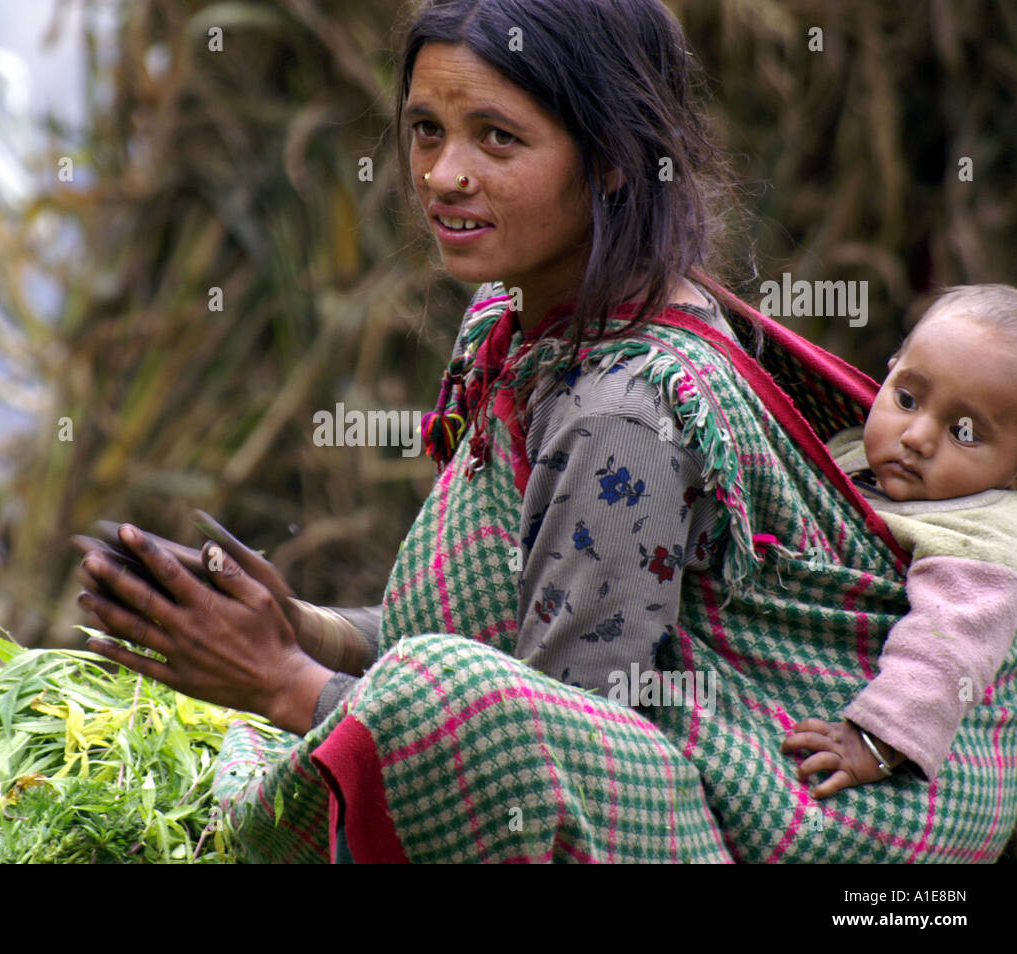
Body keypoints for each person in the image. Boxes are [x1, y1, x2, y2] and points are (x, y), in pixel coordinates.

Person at [75, 0, 1017, 862]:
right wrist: (307, 629)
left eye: (498, 138)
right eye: (426, 132)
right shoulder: (529, 324)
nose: (446, 175)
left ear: (610, 160)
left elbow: (533, 736)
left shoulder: (628, 410)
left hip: (707, 820)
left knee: (432, 689)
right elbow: (501, 622)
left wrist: (282, 683)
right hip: (610, 753)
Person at [783, 285, 1017, 796]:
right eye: (906, 399)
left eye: (964, 432)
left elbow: (950, 644)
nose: (915, 436)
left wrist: (876, 741)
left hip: (856, 712)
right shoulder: (848, 451)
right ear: (887, 372)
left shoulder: (983, 534)